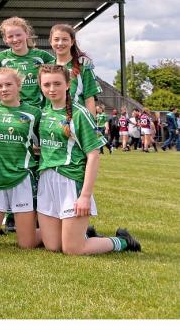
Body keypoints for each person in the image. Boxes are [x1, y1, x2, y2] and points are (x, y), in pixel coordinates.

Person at [36, 64, 140, 254]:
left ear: (68, 85)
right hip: (46, 181)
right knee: (53, 246)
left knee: (72, 250)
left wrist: (85, 196)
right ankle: (82, 233)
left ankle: (122, 241)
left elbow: (93, 155)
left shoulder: (79, 113)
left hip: (71, 181)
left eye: (57, 84)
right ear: (41, 86)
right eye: (47, 84)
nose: (52, 89)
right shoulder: (43, 112)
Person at [0, 68, 42, 249]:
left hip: (22, 178)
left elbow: (45, 144)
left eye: (8, 84)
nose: (4, 89)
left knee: (26, 244)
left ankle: (61, 229)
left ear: (19, 85)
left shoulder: (33, 113)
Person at [0, 17, 55, 108]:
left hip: (38, 110)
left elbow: (61, 67)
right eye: (10, 36)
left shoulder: (42, 56)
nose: (15, 39)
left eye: (18, 35)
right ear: (5, 39)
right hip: (12, 111)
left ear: (26, 34)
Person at [49, 24, 101, 115]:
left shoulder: (83, 67)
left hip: (76, 122)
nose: (60, 43)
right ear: (50, 42)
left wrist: (91, 127)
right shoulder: (47, 68)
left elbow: (89, 99)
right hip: (51, 123)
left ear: (72, 42)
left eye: (65, 39)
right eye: (56, 39)